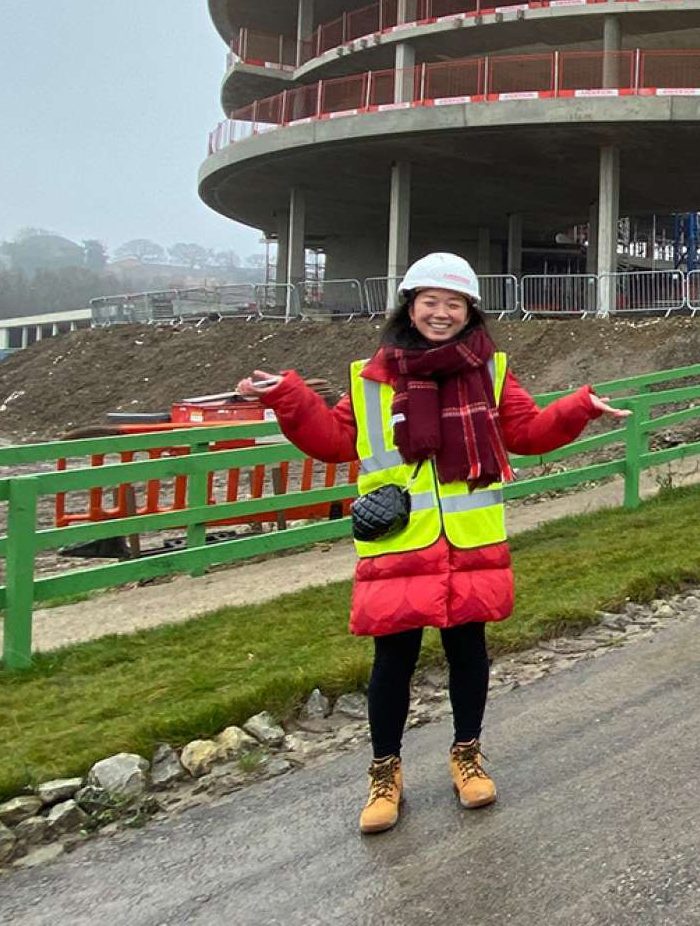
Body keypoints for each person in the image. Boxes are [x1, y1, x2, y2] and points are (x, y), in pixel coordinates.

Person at [235, 253, 629, 834]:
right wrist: (288, 398)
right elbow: (333, 441)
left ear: (470, 312)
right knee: (392, 661)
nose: (442, 314)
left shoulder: (490, 371)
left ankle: (467, 754)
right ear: (410, 306)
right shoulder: (371, 378)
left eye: (454, 304)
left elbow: (524, 432)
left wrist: (575, 409)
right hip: (399, 545)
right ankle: (384, 773)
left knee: (468, 653)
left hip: (468, 542)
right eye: (431, 302)